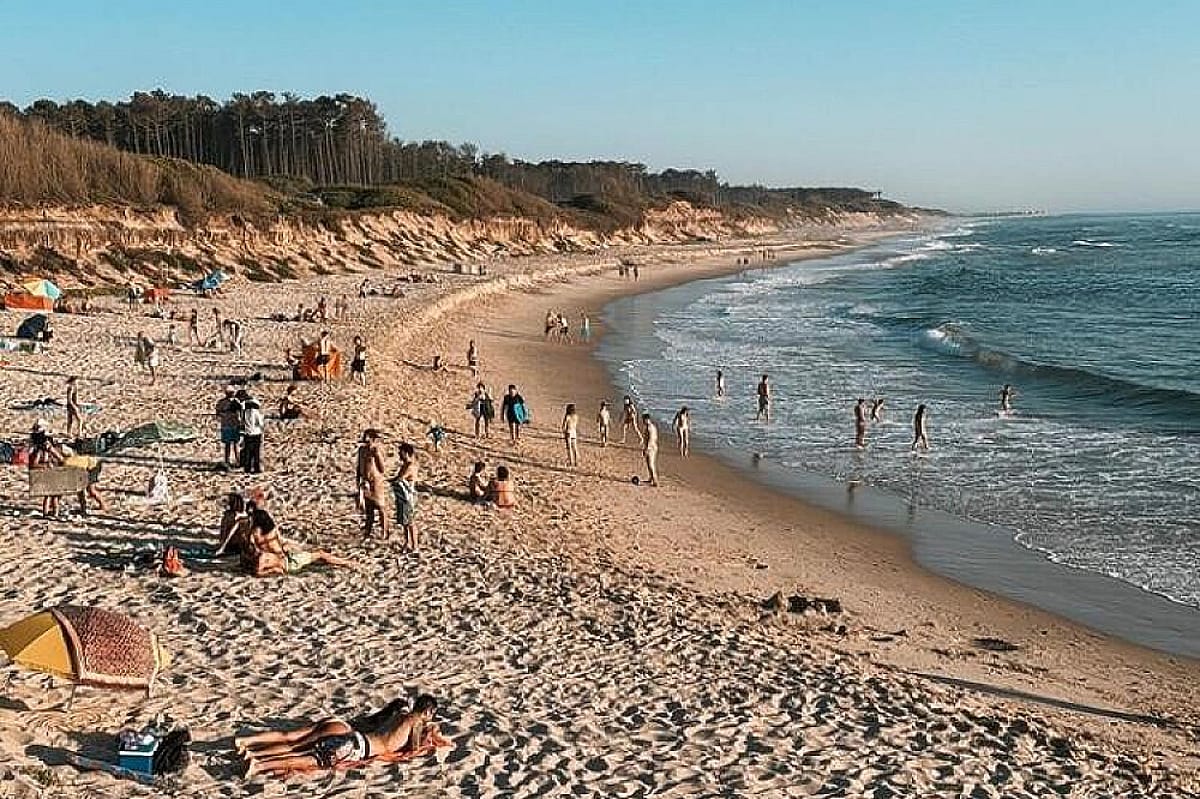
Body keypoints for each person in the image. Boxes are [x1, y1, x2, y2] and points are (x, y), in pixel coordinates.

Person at [240, 695, 440, 776]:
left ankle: (257, 756)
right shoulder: (415, 721)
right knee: (309, 760)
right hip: (357, 749)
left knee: (301, 749)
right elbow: (414, 748)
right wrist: (428, 733)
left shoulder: (401, 714)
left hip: (355, 739)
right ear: (428, 712)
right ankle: (259, 764)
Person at [244, 506, 359, 578]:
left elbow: (252, 548)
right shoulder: (270, 533)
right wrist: (274, 569)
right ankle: (347, 563)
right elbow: (258, 571)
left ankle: (340, 562)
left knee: (317, 554)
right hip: (290, 562)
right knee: (320, 554)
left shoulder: (257, 540)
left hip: (286, 559)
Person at [356, 430, 390, 541]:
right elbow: (359, 466)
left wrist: (376, 455)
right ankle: (368, 531)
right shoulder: (361, 450)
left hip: (375, 482)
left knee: (380, 507)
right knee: (369, 509)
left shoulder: (377, 450)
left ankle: (384, 531)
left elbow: (382, 469)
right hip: (365, 482)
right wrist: (358, 480)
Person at [391, 443, 420, 550]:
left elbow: (400, 478)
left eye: (401, 452)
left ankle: (414, 545)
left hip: (407, 497)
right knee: (405, 522)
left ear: (406, 453)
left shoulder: (409, 466)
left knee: (410, 522)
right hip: (403, 497)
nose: (399, 454)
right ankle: (408, 543)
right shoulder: (406, 465)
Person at [216, 386, 242, 469]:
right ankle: (235, 461)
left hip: (227, 425)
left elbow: (218, 413)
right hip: (232, 425)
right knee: (235, 444)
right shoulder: (236, 402)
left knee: (230, 445)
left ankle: (229, 461)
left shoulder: (221, 402)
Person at [242, 396, 265, 474]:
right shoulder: (256, 412)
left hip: (247, 433)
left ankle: (247, 468)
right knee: (256, 452)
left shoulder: (245, 412)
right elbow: (260, 423)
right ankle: (256, 468)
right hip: (256, 433)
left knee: (248, 451)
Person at [642, 413, 659, 487]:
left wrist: (646, 449)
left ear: (646, 419)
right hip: (653, 446)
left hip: (651, 447)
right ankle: (651, 478)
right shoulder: (652, 426)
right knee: (649, 464)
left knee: (651, 464)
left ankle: (655, 481)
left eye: (643, 420)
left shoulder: (649, 428)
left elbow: (650, 439)